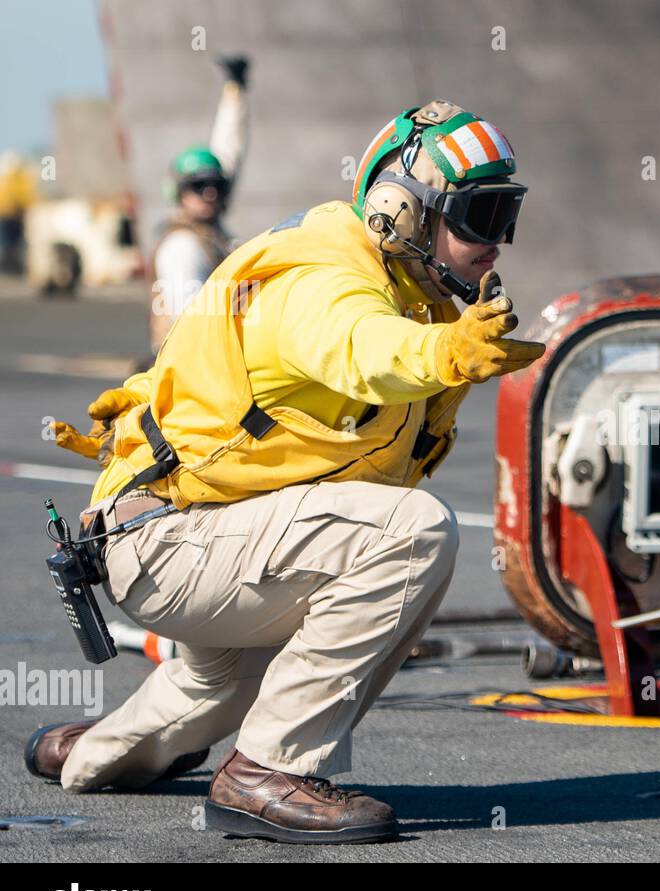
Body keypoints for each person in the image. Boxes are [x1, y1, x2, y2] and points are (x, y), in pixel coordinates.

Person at [32, 99, 544, 844]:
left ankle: (86, 753)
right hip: (167, 538)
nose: (496, 243)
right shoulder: (324, 276)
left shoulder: (420, 302)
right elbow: (357, 345)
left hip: (212, 533)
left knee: (218, 686)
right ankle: (266, 772)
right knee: (414, 535)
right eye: (480, 216)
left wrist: (445, 349)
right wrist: (444, 357)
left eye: (506, 216)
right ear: (404, 212)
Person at [149, 55, 250, 352]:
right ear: (179, 193)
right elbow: (192, 322)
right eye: (198, 186)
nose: (209, 193)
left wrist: (236, 92)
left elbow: (228, 152)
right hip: (194, 373)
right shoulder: (182, 246)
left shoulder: (211, 231)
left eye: (215, 186)